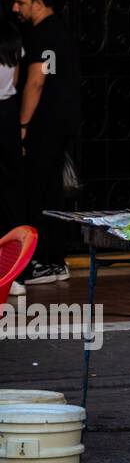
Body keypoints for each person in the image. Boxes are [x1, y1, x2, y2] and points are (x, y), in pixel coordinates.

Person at [12, 0, 82, 286]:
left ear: (38, 4)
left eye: (21, 2)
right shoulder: (60, 31)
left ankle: (48, 260)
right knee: (49, 190)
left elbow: (36, 81)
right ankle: (52, 259)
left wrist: (23, 125)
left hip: (44, 125)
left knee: (40, 192)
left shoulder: (42, 34)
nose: (15, 8)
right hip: (59, 124)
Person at [0, 17, 25, 296]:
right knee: (10, 193)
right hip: (8, 114)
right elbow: (16, 79)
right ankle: (15, 275)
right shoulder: (13, 41)